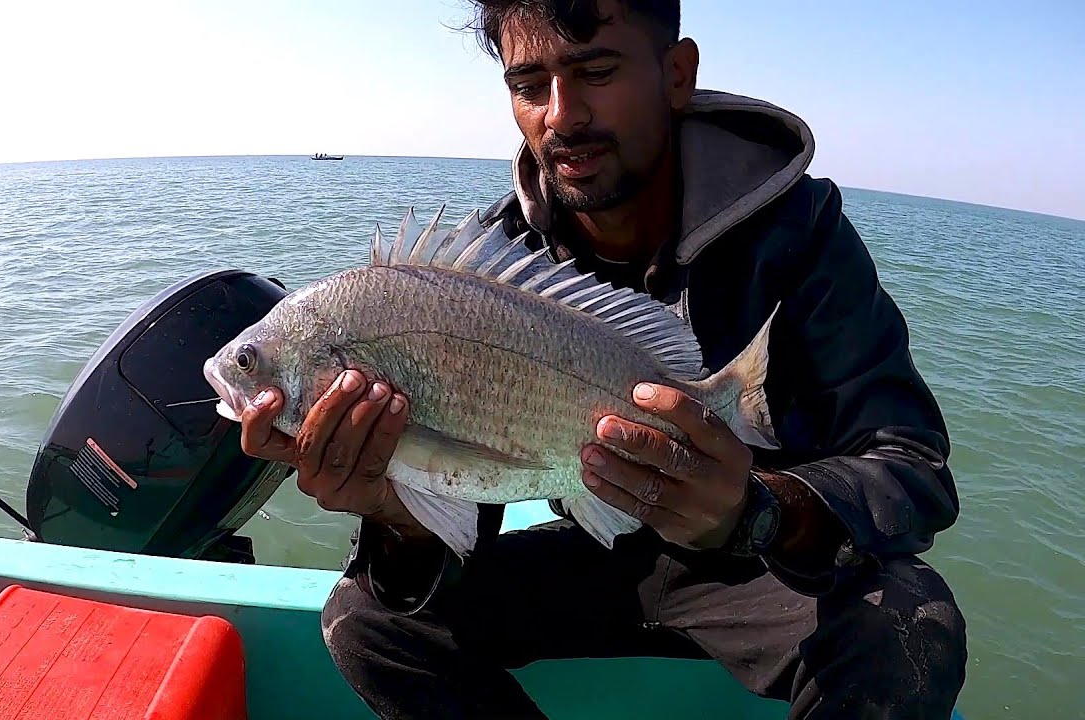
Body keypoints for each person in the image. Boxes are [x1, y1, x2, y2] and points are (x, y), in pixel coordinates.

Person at [238, 0, 968, 717]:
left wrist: (756, 512)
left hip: (762, 575)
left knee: (908, 624)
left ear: (676, 73)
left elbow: (912, 467)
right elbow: (466, 513)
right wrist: (396, 513)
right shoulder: (486, 271)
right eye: (529, 85)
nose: (561, 114)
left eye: (595, 71)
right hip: (596, 545)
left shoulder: (802, 234)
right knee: (367, 620)